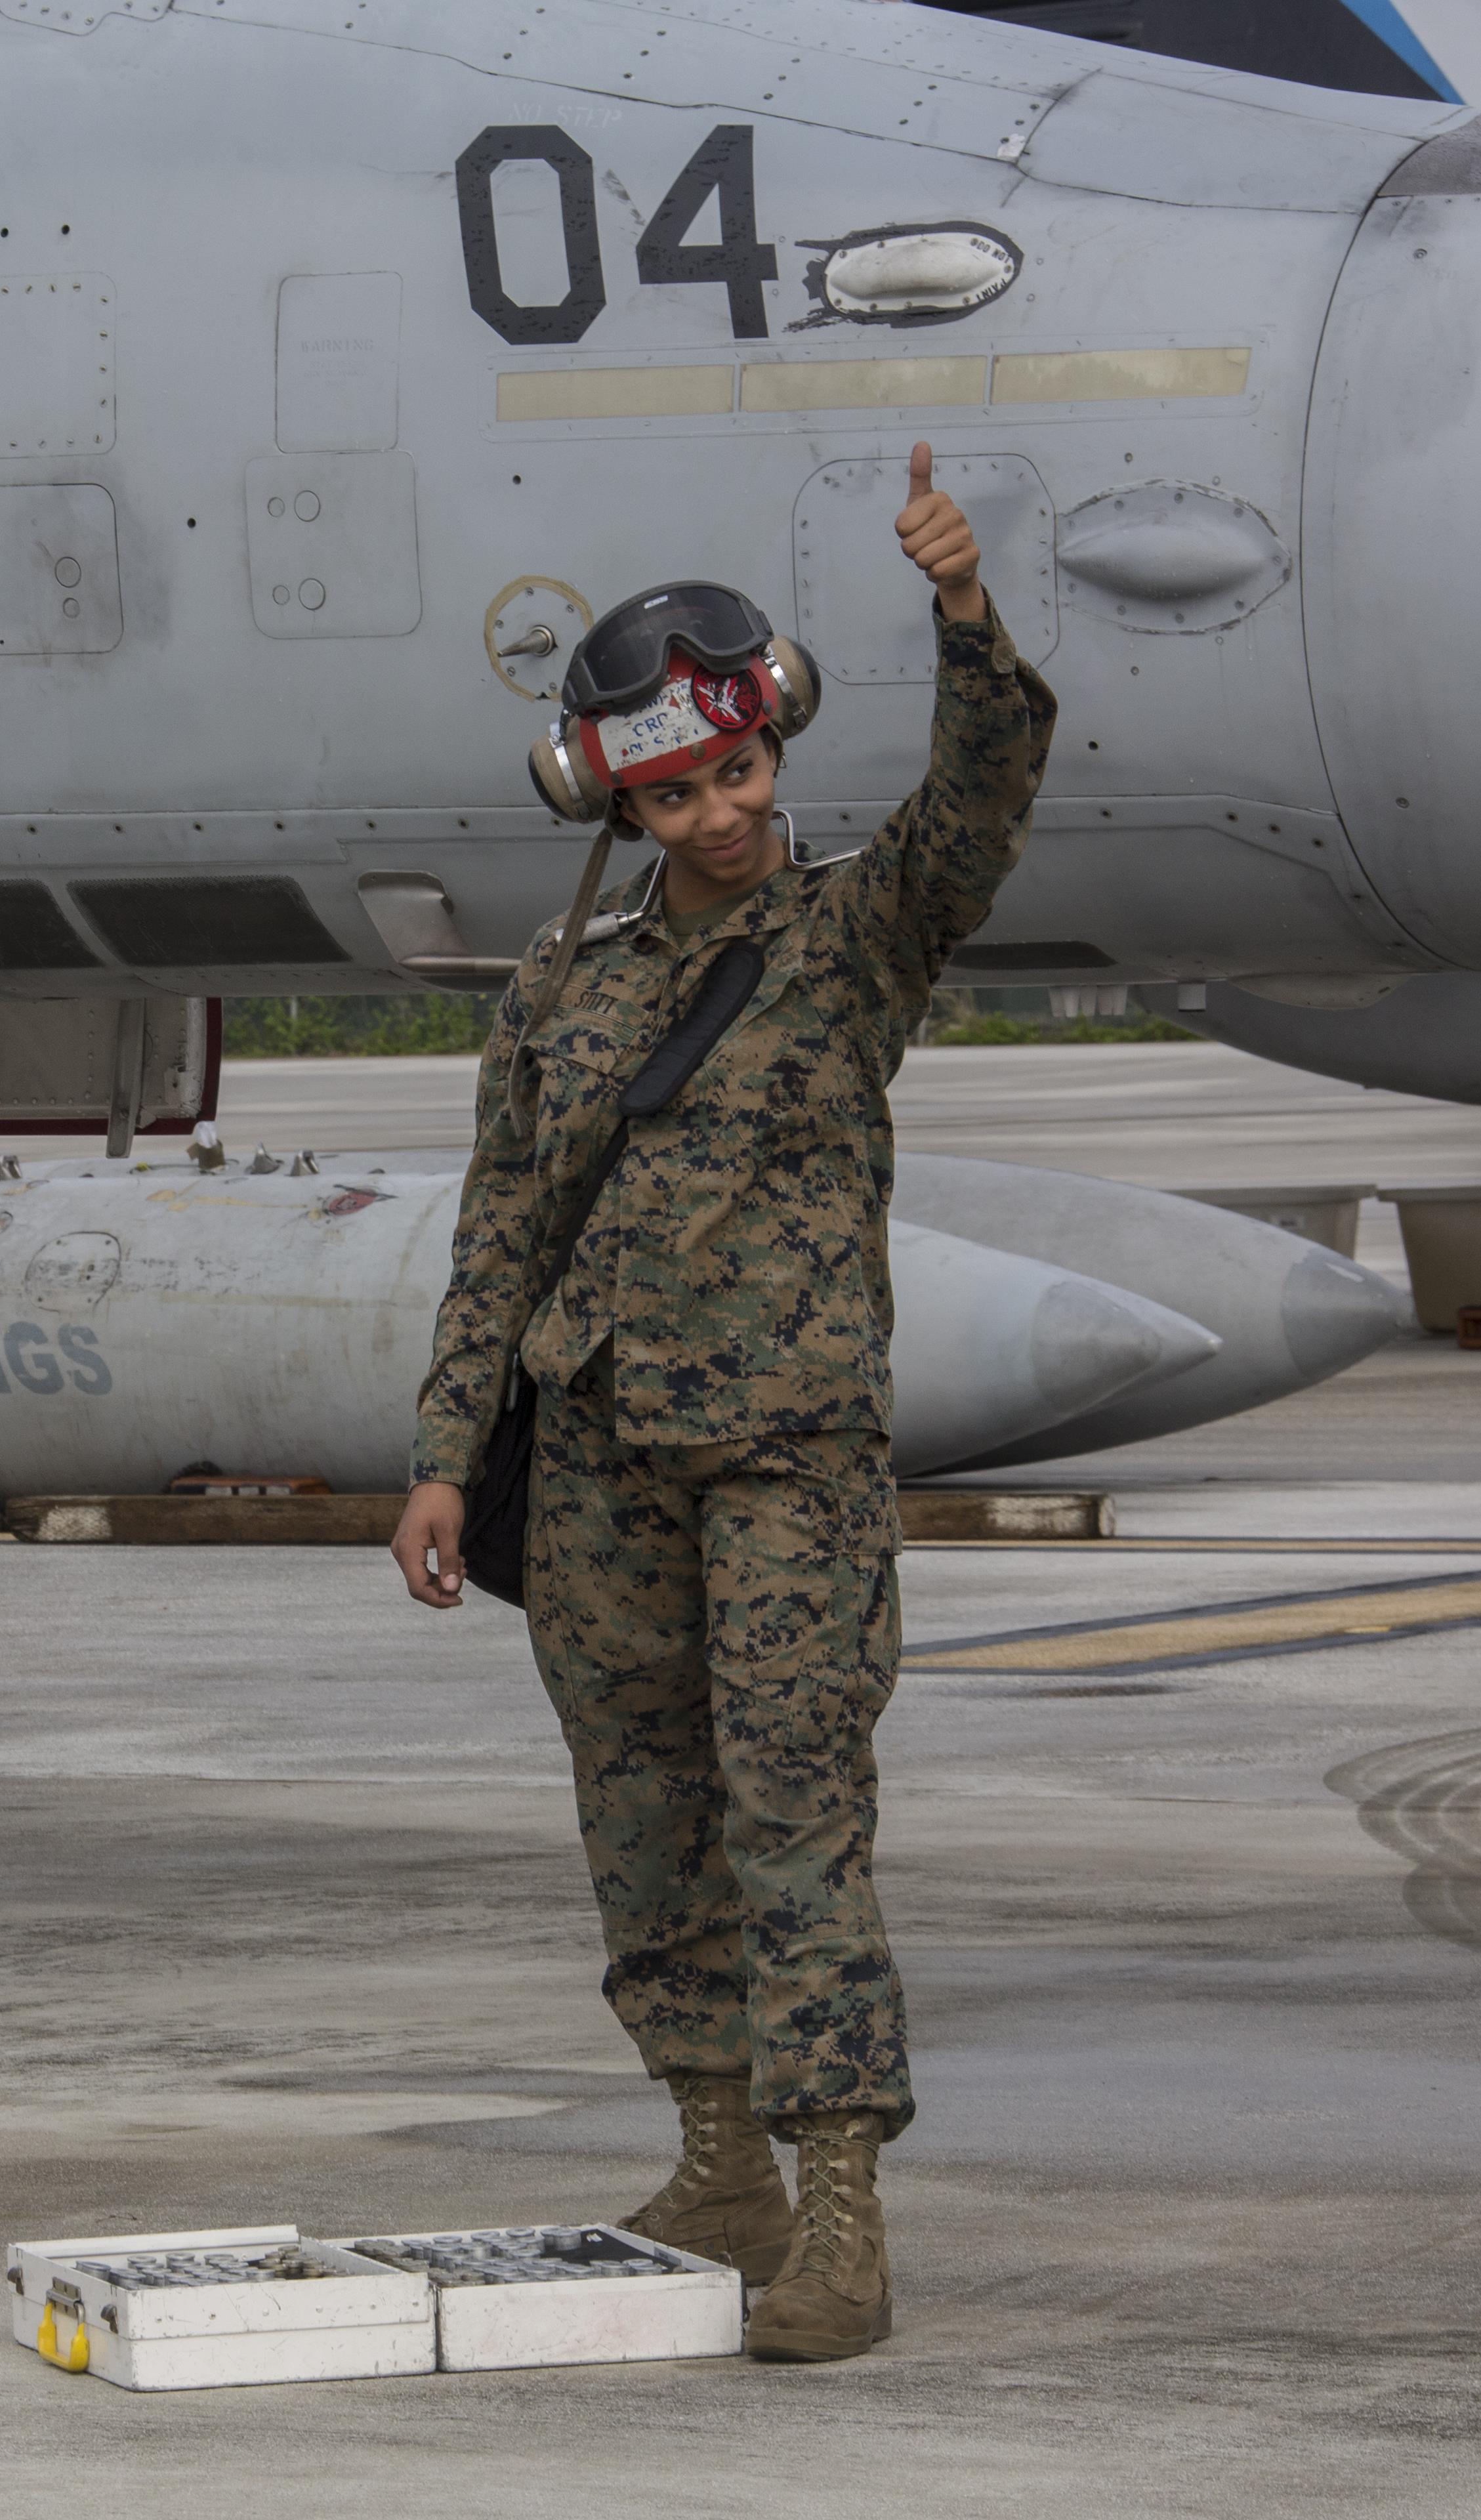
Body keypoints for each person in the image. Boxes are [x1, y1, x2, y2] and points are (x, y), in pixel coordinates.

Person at [388, 443, 1055, 2364]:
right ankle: (715, 2161)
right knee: (642, 1815)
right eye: (675, 790)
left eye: (739, 771)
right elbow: (501, 1231)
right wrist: (446, 1459)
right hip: (592, 1463)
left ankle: (837, 2204)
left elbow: (984, 797)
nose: (719, 812)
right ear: (621, 796)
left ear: (778, 749)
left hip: (784, 1463)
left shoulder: (855, 939)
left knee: (792, 1820)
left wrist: (961, 610)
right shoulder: (564, 988)